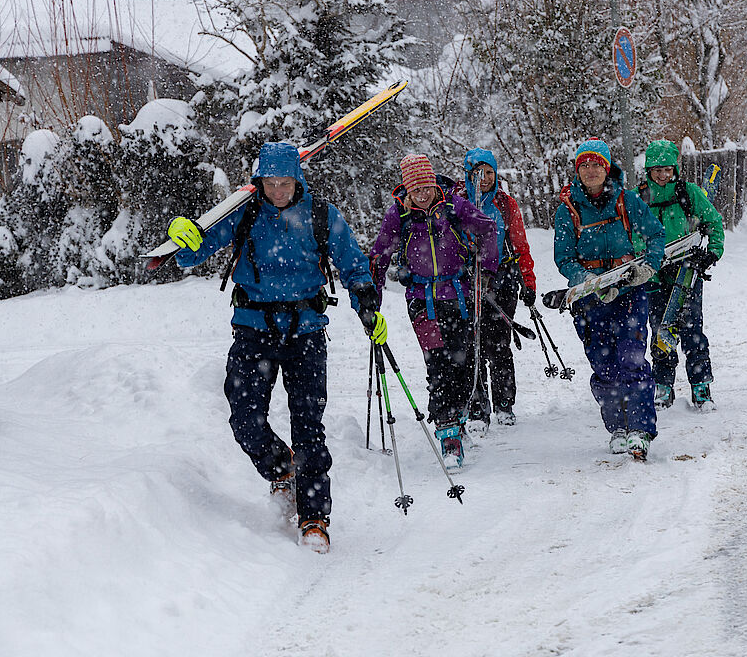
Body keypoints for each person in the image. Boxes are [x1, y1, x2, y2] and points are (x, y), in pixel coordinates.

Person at [166, 142, 386, 553]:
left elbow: (354, 264)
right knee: (244, 419)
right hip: (253, 331)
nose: (279, 190)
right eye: (271, 183)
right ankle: (282, 469)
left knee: (308, 427)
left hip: (306, 332)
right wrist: (185, 236)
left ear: (297, 180)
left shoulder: (322, 215)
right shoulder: (244, 214)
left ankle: (315, 518)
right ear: (259, 182)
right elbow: (191, 255)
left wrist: (366, 303)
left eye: (286, 182)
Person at [368, 154, 498, 469]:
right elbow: (379, 253)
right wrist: (371, 299)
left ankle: (459, 416)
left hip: (459, 296)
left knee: (464, 362)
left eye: (426, 186)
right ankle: (448, 432)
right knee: (439, 364)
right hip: (421, 300)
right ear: (407, 190)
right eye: (416, 189)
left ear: (433, 182)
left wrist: (486, 267)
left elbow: (488, 229)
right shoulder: (398, 215)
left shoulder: (454, 207)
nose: (422, 194)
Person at [553, 139, 666, 460]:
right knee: (603, 363)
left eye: (596, 165)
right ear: (577, 171)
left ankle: (640, 429)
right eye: (584, 166)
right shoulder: (568, 210)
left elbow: (656, 235)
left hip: (629, 290)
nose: (591, 171)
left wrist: (648, 267)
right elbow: (564, 257)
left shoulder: (627, 201)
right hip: (589, 298)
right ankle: (617, 426)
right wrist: (587, 282)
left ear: (607, 168)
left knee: (632, 358)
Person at [635, 139, 725, 410]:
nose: (663, 176)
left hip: (687, 273)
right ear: (648, 171)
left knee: (692, 329)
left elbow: (713, 222)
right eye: (657, 170)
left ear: (675, 169)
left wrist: (713, 252)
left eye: (668, 170)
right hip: (652, 275)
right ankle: (663, 385)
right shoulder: (639, 199)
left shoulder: (690, 193)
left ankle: (701, 385)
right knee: (660, 330)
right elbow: (630, 234)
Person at [455, 148, 538, 432]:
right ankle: (478, 408)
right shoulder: (456, 202)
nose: (485, 178)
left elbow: (520, 244)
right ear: (468, 174)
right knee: (472, 343)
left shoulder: (505, 204)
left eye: (490, 172)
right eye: (478, 173)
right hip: (466, 280)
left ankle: (504, 403)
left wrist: (528, 281)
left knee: (498, 342)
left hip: (502, 279)